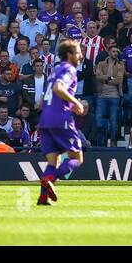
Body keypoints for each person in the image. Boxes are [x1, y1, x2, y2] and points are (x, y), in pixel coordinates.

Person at [37, 38, 88, 206]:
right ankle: (50, 179)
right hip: (61, 119)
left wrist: (70, 104)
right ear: (69, 54)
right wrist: (77, 103)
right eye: (78, 52)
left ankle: (43, 198)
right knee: (77, 158)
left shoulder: (54, 70)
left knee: (54, 161)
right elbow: (58, 88)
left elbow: (45, 98)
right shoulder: (68, 69)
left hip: (45, 119)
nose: (81, 56)